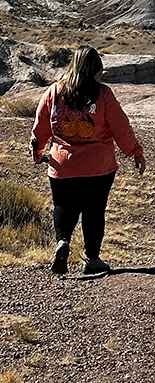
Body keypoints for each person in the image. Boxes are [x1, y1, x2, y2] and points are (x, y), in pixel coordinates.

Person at [30, 45, 146, 276]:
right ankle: (92, 259)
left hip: (62, 164)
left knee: (63, 205)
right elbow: (121, 127)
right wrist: (135, 152)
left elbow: (41, 126)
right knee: (94, 210)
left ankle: (62, 242)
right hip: (99, 166)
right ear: (96, 69)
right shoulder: (103, 94)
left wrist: (37, 150)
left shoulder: (55, 92)